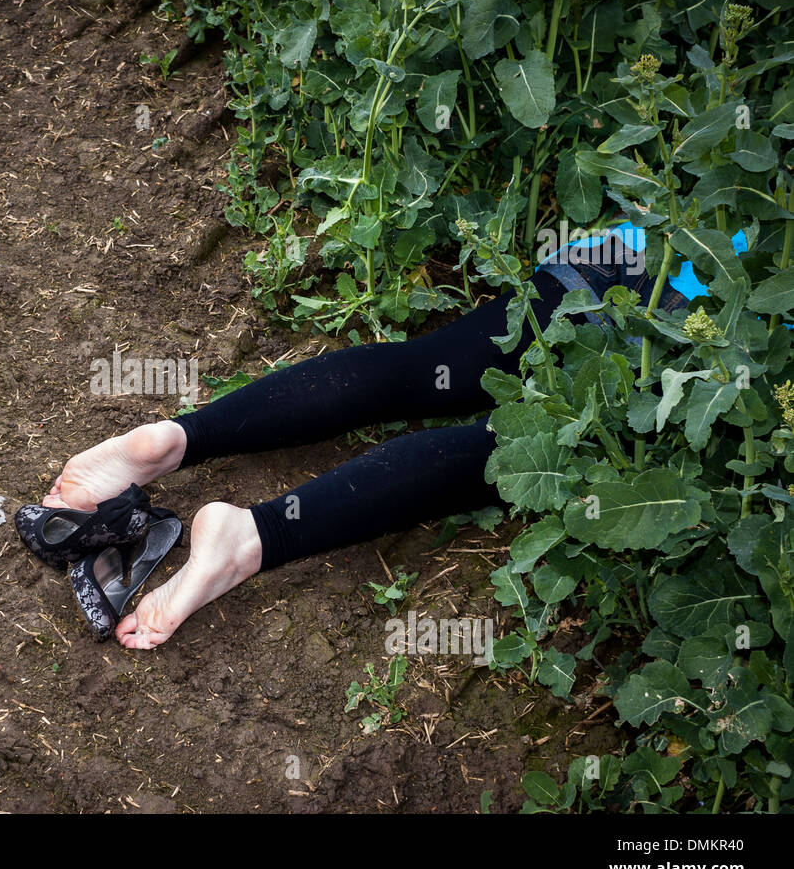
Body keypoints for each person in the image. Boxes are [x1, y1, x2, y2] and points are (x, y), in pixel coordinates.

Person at [43, 223, 747, 650]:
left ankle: (174, 439)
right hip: (723, 333)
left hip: (634, 251)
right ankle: (252, 537)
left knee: (431, 368)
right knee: (517, 443)